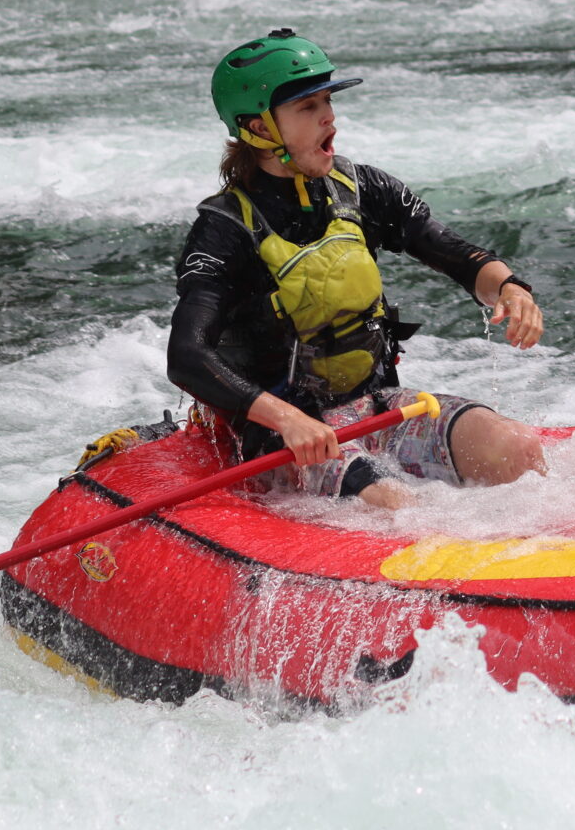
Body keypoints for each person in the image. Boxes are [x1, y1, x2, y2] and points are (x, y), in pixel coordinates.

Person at [168, 29, 547, 509]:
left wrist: (510, 288)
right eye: (308, 108)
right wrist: (286, 420)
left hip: (377, 409)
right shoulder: (223, 228)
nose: (330, 118)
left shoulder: (360, 186)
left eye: (327, 101)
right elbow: (186, 354)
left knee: (519, 452)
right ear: (259, 129)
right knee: (396, 506)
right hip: (286, 437)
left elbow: (448, 249)